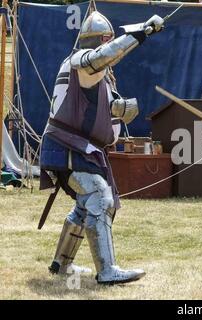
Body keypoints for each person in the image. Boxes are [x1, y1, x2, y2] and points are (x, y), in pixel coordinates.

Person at [39, 10, 164, 285]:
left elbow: (88, 106)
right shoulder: (81, 61)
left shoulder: (95, 75)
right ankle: (107, 270)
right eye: (107, 42)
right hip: (68, 145)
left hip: (77, 146)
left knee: (86, 206)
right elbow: (98, 59)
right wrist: (142, 32)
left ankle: (61, 263)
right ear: (102, 41)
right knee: (99, 196)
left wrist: (116, 108)